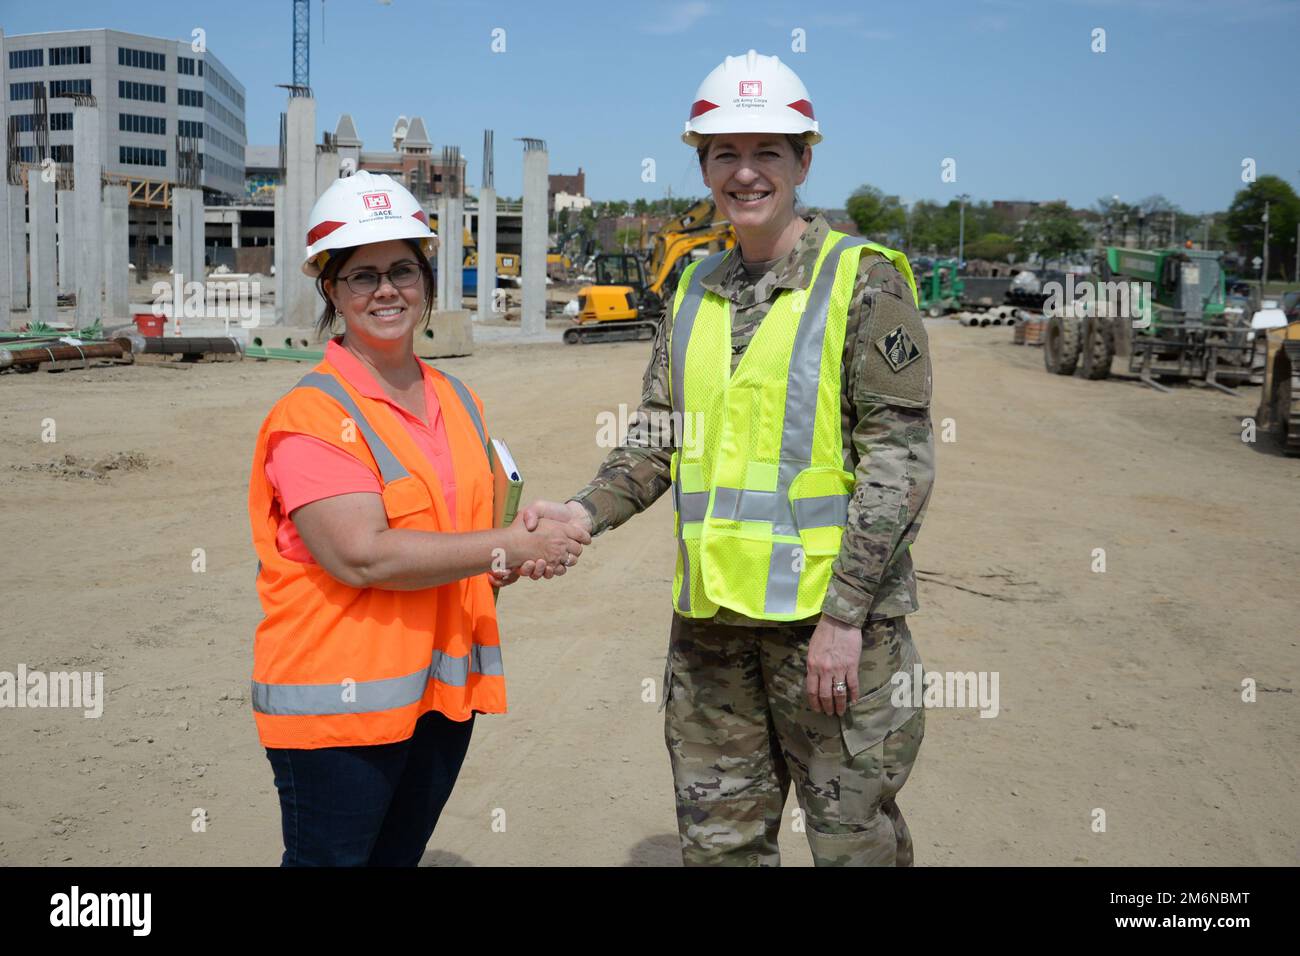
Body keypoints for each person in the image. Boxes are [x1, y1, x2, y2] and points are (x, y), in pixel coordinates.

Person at [523, 51, 934, 866]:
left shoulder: (863, 282)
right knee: (720, 849)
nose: (744, 172)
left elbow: (900, 463)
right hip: (713, 633)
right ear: (704, 165)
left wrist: (845, 617)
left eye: (767, 152)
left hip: (826, 634)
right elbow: (658, 438)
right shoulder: (693, 289)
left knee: (854, 847)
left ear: (803, 160)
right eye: (723, 154)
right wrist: (582, 512)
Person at [247, 170, 590, 866]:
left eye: (402, 270)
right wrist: (509, 545)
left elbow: (465, 542)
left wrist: (511, 556)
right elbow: (362, 555)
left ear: (428, 282)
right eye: (361, 275)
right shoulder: (312, 416)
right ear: (331, 291)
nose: (385, 290)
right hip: (338, 709)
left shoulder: (458, 399)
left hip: (437, 699)